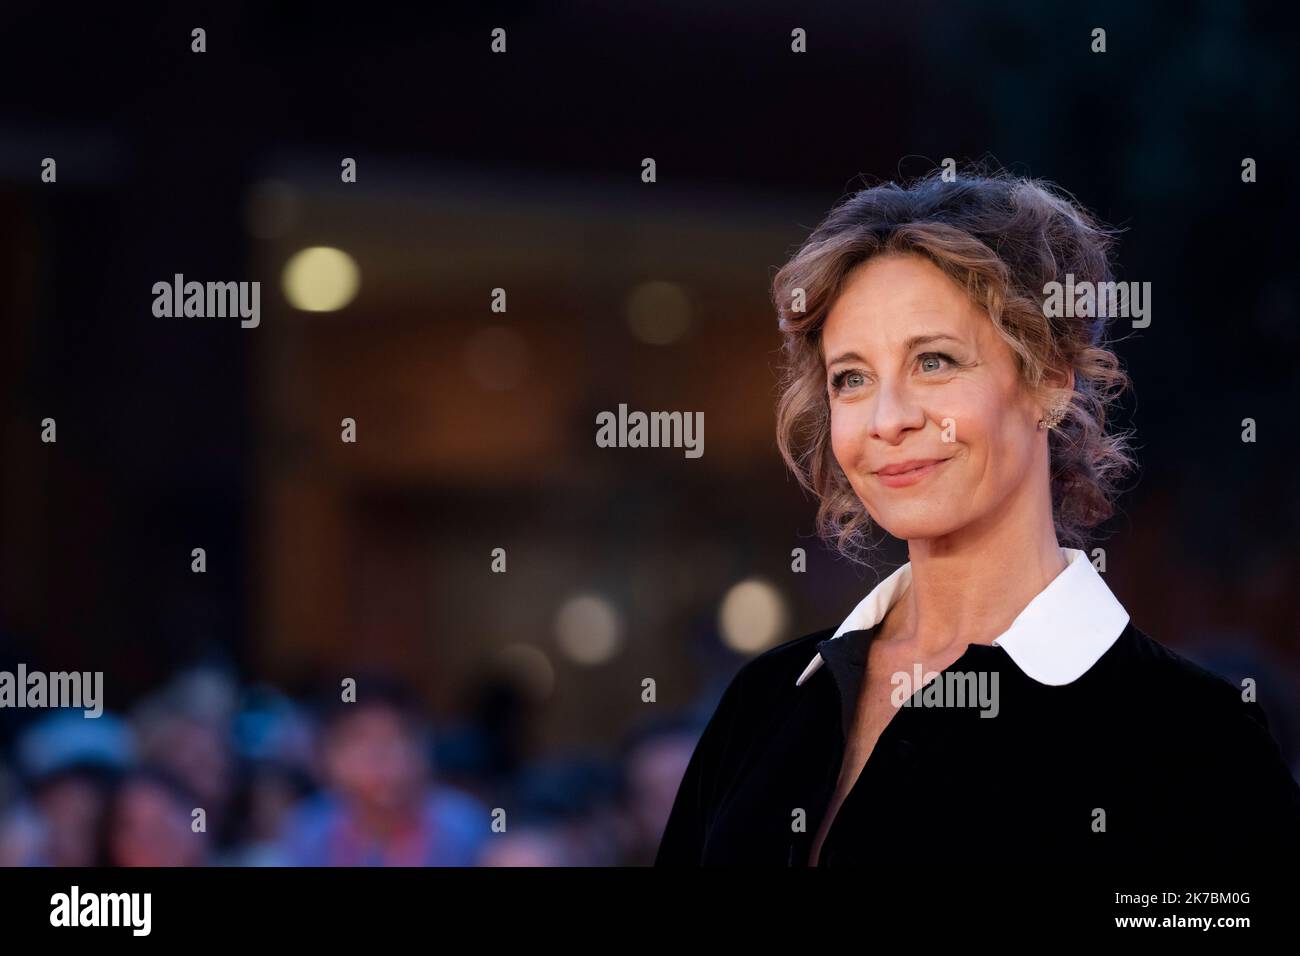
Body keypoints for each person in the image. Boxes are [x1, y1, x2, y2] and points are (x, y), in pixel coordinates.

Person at [655, 168, 1300, 867]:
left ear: (1049, 379)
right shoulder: (763, 701)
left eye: (934, 361)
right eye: (852, 377)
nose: (888, 419)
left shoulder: (1194, 742)